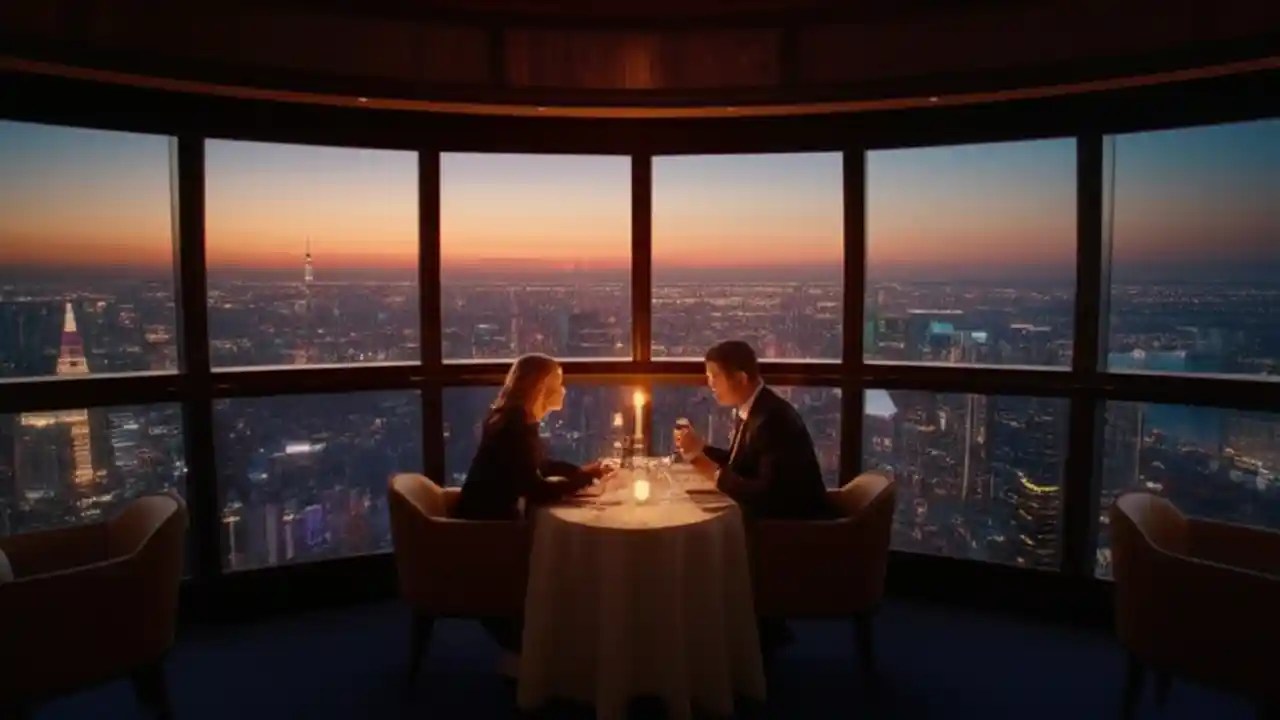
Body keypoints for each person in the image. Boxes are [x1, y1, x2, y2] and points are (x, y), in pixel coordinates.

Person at [456, 353, 607, 674]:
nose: (564, 392)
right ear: (541, 388)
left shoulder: (515, 419)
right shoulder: (515, 428)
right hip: (489, 531)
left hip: (484, 516)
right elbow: (535, 486)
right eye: (558, 385)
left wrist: (583, 471)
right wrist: (585, 478)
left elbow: (536, 466)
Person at [673, 340, 830, 521]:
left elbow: (767, 496)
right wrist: (699, 448)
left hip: (793, 530)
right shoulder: (755, 407)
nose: (710, 384)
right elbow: (740, 463)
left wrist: (706, 466)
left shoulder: (772, 420)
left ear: (741, 379)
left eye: (715, 377)